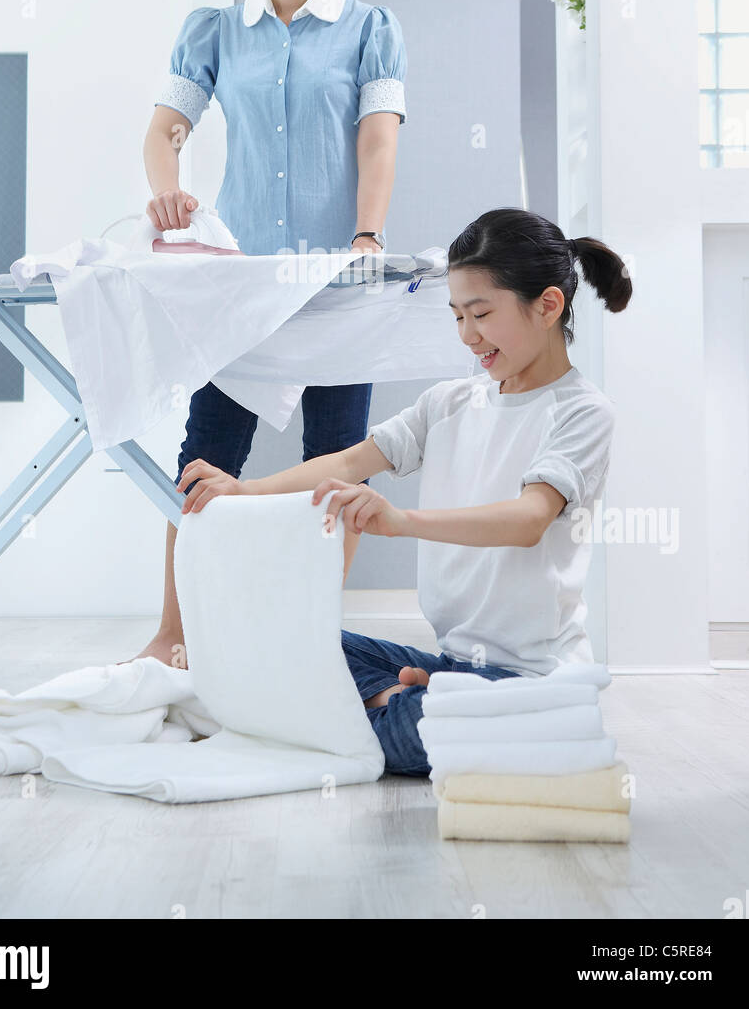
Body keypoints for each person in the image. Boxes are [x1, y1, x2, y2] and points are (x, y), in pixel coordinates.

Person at [174, 207, 633, 776]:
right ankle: (402, 702)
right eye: (457, 317)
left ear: (547, 305)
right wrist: (245, 491)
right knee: (282, 638)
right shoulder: (450, 402)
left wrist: (402, 521)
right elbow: (348, 461)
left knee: (363, 714)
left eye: (482, 314)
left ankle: (391, 708)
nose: (468, 337)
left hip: (529, 680)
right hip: (453, 666)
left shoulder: (582, 412)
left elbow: (528, 518)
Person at [135, 0, 407, 666]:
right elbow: (165, 129)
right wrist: (167, 188)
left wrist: (366, 236)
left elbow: (377, 141)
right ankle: (171, 634)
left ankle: (308, 642)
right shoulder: (215, 31)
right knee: (203, 461)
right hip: (243, 289)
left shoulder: (371, 30)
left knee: (341, 466)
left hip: (337, 287)